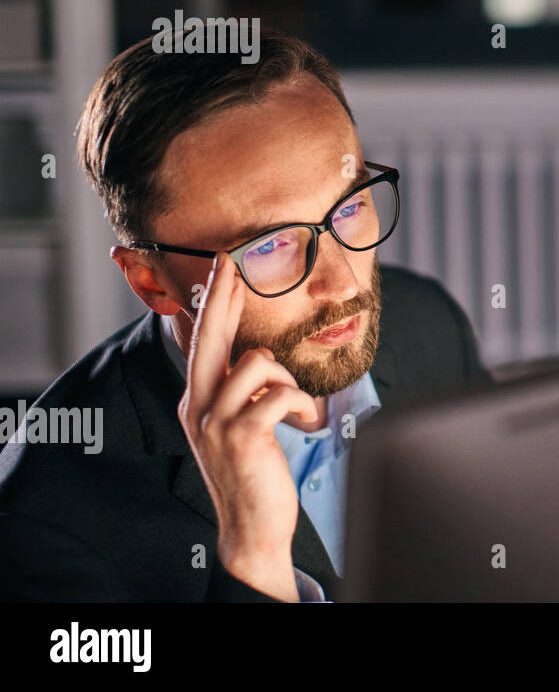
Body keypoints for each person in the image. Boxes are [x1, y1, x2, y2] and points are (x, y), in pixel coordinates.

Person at [0, 31, 490, 601]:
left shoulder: (428, 324)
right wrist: (253, 557)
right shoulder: (43, 528)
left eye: (351, 206)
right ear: (151, 281)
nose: (342, 284)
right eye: (270, 245)